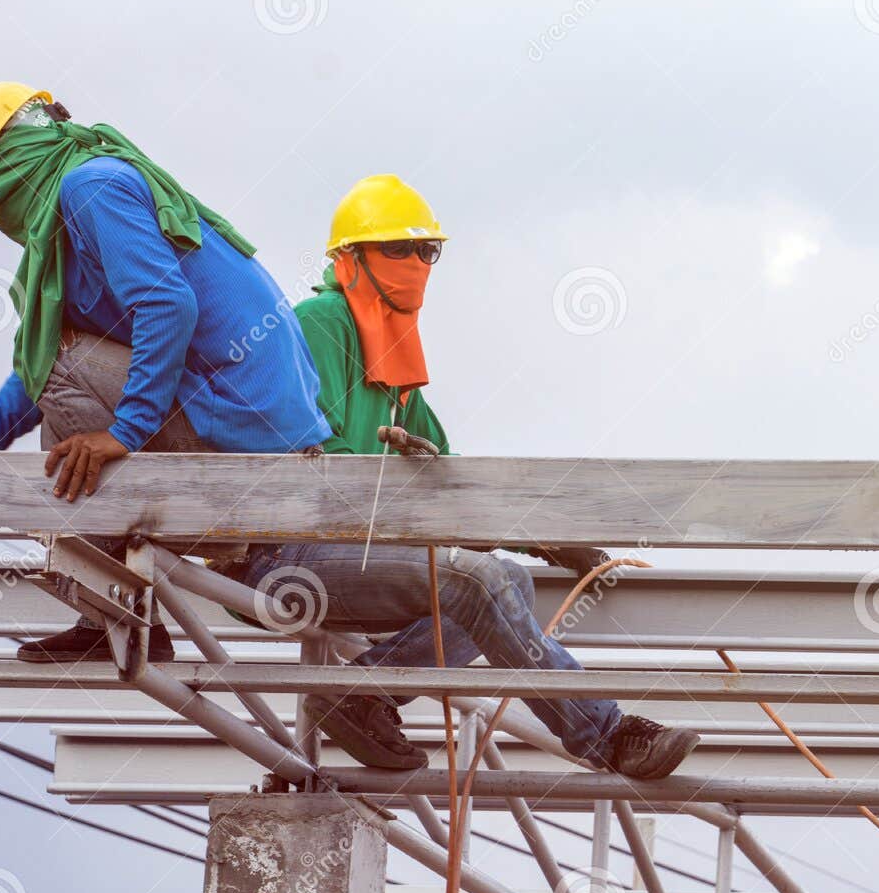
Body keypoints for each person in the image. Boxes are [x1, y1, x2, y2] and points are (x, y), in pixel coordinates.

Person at [234, 174, 699, 780]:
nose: (416, 264)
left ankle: (363, 692)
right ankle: (607, 735)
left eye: (427, 252)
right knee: (477, 581)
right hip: (287, 558)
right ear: (350, 261)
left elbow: (448, 485)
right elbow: (332, 478)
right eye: (397, 250)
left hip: (349, 550)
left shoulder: (395, 354)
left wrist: (541, 540)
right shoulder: (324, 320)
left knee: (507, 581)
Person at [0, 81, 330, 663]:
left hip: (243, 443)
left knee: (67, 377)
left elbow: (165, 306)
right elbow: (49, 357)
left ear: (7, 173)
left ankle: (116, 607)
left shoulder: (91, 188)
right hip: (244, 430)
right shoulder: (81, 204)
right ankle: (112, 611)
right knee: (64, 398)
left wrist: (125, 432)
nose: (4, 220)